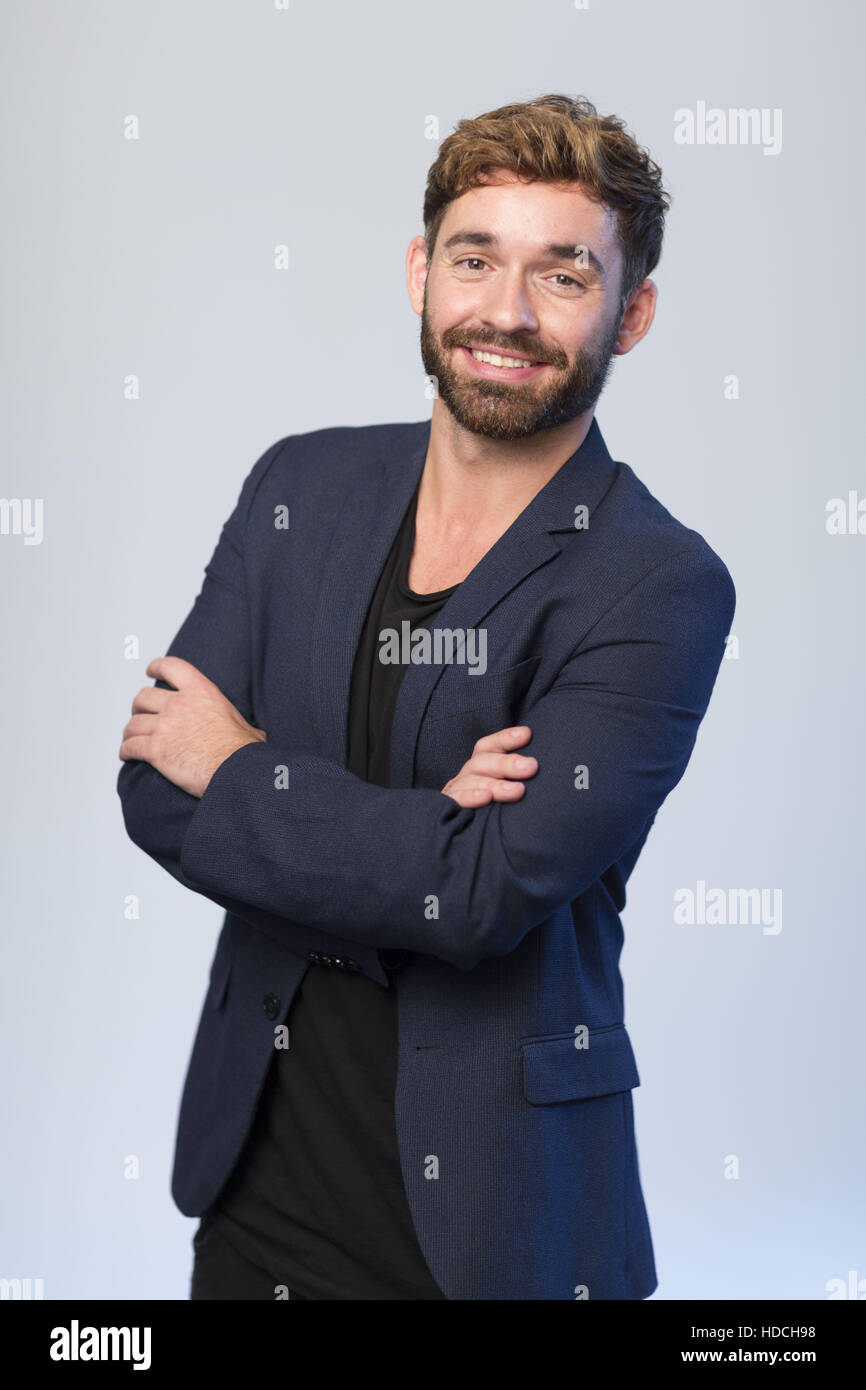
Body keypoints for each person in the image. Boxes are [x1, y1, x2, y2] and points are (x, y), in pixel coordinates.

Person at [117, 94, 735, 1301]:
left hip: (499, 1235)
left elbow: (480, 893)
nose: (504, 312)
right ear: (419, 272)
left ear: (633, 311)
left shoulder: (656, 582)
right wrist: (425, 834)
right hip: (260, 1198)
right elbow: (151, 784)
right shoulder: (299, 485)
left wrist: (243, 771)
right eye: (473, 259)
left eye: (562, 275)